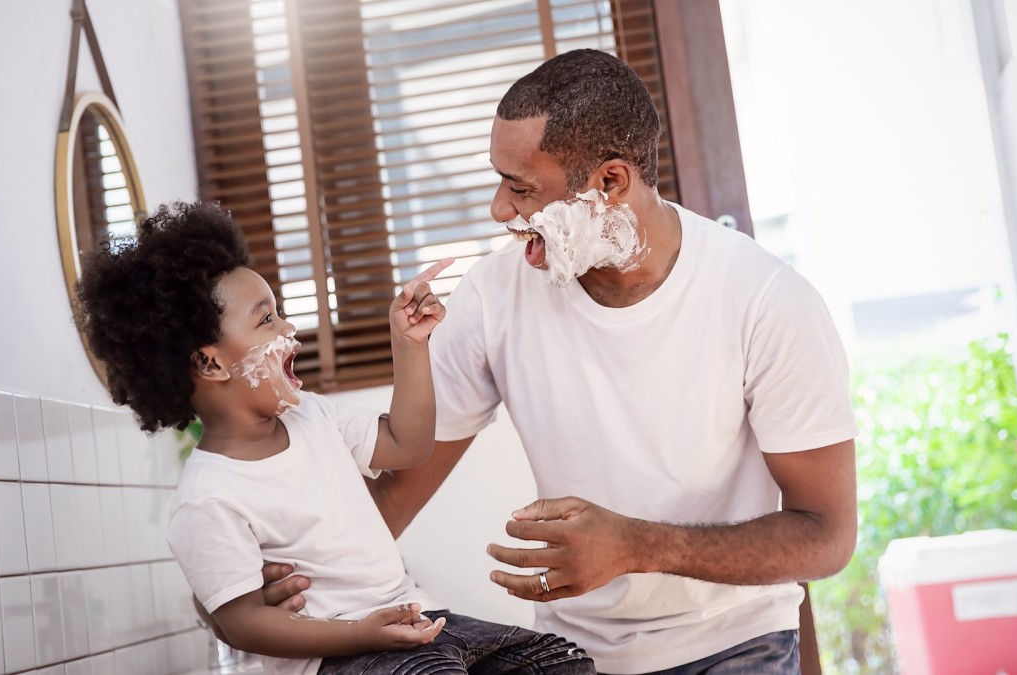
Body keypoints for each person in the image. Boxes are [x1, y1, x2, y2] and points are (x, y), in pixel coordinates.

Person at [253, 49, 858, 674]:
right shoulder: (494, 298)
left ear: (610, 183)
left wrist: (636, 547)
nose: (498, 210)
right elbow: (395, 493)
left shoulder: (765, 301)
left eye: (521, 189)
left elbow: (826, 535)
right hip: (569, 655)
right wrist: (278, 589)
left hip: (734, 644)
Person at [76, 201, 596, 675]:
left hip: (415, 617)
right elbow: (240, 624)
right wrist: (357, 634)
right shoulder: (207, 497)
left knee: (558, 663)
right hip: (334, 655)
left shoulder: (314, 417)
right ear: (210, 362)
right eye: (266, 320)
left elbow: (409, 445)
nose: (288, 329)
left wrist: (410, 345)